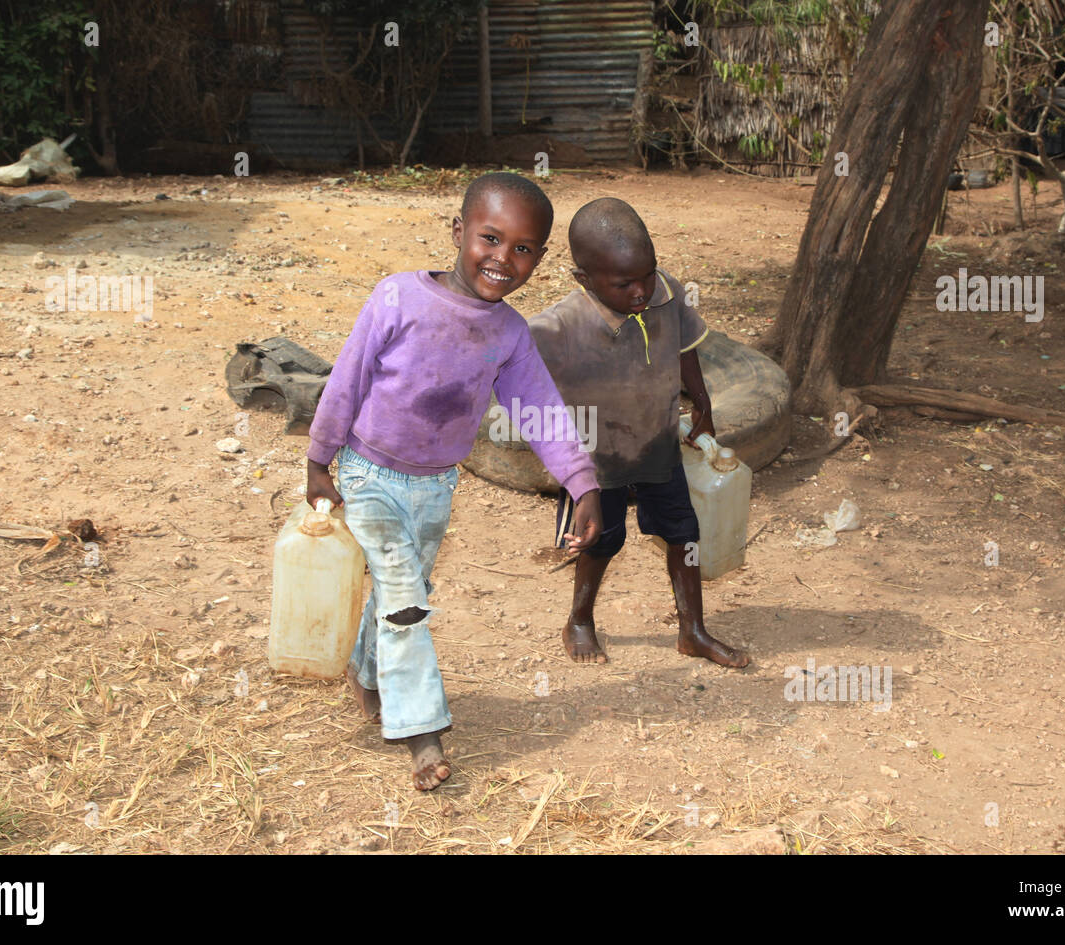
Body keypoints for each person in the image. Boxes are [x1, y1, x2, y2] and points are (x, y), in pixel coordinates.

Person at [304, 173, 602, 790]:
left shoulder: (510, 334)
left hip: (436, 487)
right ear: (459, 231)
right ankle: (422, 731)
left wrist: (583, 483)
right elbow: (347, 380)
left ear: (539, 259)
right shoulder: (398, 298)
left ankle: (366, 674)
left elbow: (541, 411)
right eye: (490, 238)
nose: (503, 258)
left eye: (523, 249)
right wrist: (318, 459)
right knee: (407, 598)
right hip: (369, 474)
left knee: (400, 592)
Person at [529, 197, 750, 669]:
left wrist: (703, 403)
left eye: (647, 274)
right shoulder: (560, 326)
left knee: (683, 533)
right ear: (584, 279)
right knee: (601, 540)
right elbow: (519, 382)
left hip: (657, 445)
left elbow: (685, 348)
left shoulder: (665, 293)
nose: (641, 291)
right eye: (625, 282)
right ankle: (580, 620)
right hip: (596, 460)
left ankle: (692, 630)